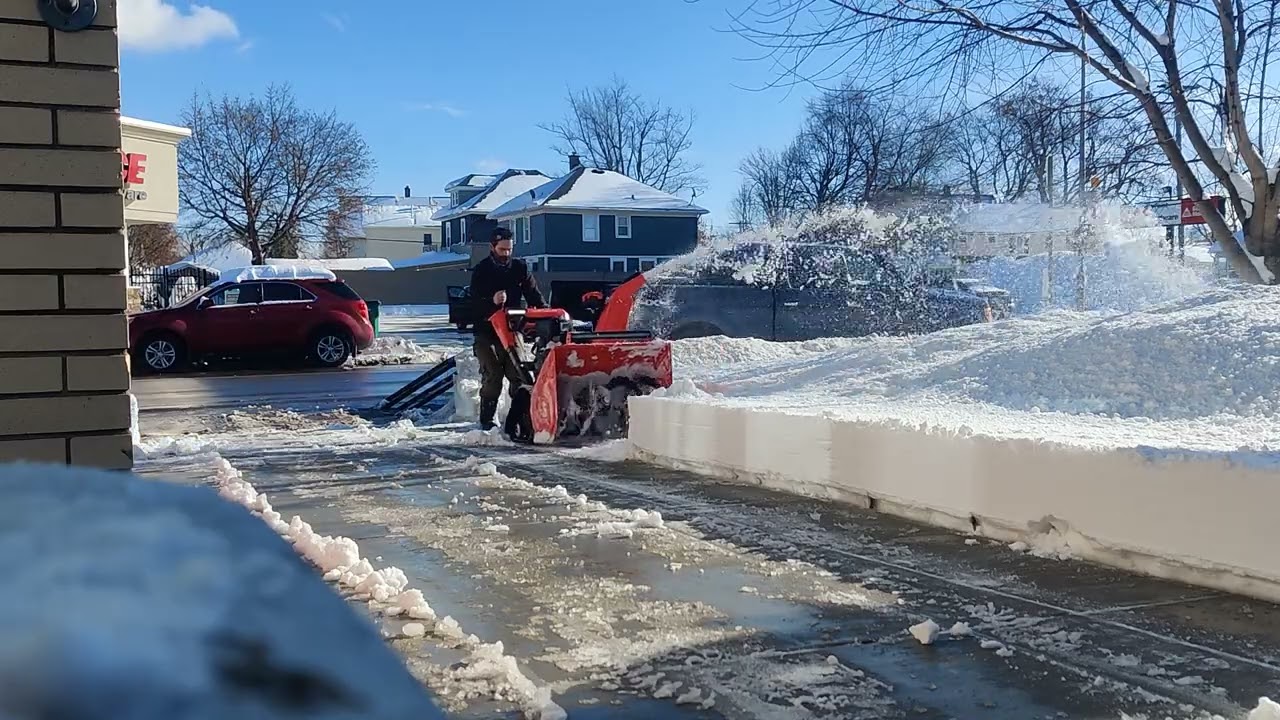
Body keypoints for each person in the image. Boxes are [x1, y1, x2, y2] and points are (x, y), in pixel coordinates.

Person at [469, 227, 546, 431]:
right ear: (492, 247)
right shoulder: (481, 270)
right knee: (493, 375)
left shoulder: (519, 268)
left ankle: (520, 418)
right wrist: (491, 301)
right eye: (502, 250)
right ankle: (487, 422)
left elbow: (533, 294)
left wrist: (546, 313)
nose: (506, 254)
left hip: (513, 329)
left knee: (519, 374)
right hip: (487, 332)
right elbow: (473, 304)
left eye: (509, 249)